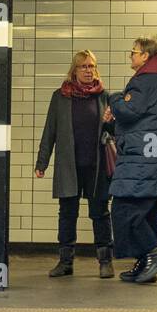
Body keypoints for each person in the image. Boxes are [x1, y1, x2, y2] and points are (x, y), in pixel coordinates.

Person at [35, 50, 116, 279]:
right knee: (67, 213)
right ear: (75, 70)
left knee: (100, 213)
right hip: (68, 166)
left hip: (96, 166)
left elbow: (114, 133)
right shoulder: (60, 97)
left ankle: (105, 261)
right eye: (84, 67)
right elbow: (49, 131)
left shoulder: (104, 97)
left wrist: (110, 124)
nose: (89, 71)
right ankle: (65, 261)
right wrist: (42, 162)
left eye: (92, 66)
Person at [108, 36, 157, 284]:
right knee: (146, 212)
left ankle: (153, 254)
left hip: (142, 159)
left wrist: (114, 98)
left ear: (146, 56)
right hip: (151, 157)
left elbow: (128, 111)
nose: (131, 55)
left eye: (134, 52)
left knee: (125, 210)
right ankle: (146, 264)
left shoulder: (144, 82)